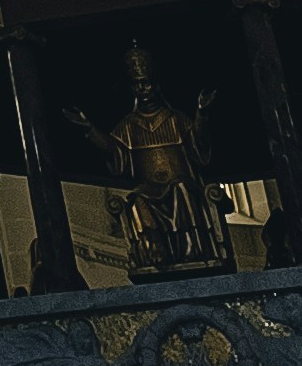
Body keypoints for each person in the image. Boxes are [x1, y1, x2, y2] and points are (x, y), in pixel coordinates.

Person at [69, 39, 228, 276]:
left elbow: (198, 144)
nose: (144, 90)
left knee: (180, 190)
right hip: (148, 188)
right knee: (136, 199)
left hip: (180, 183)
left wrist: (202, 113)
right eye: (138, 85)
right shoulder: (129, 125)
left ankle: (191, 250)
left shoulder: (174, 118)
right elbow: (116, 153)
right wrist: (89, 128)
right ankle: (155, 250)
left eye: (147, 84)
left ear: (156, 86)